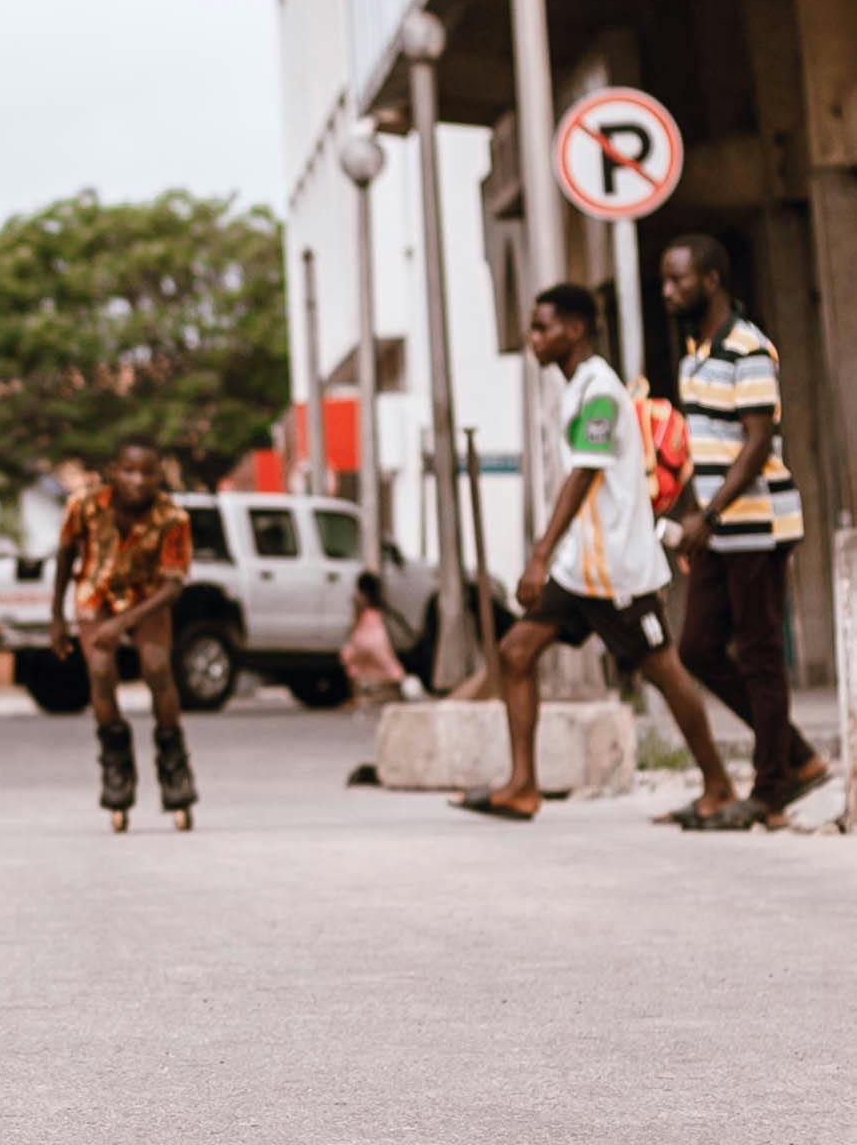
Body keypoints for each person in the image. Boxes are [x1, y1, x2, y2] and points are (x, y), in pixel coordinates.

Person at [456, 283, 743, 823]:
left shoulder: (601, 393)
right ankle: (521, 785)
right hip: (579, 567)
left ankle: (719, 783)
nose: (532, 338)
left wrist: (539, 555)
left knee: (663, 669)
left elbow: (584, 474)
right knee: (516, 654)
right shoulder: (579, 389)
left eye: (543, 328)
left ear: (576, 329)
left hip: (613, 568)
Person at [660, 232, 828, 825]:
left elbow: (757, 446)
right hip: (716, 527)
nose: (668, 290)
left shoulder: (748, 348)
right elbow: (709, 448)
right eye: (663, 280)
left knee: (759, 653)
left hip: (756, 525)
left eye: (678, 279)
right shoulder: (695, 355)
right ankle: (799, 756)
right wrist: (689, 509)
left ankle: (772, 786)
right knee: (698, 648)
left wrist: (707, 516)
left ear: (711, 280)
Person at [49, 441, 197, 826]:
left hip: (147, 597)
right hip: (95, 595)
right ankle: (116, 765)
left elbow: (173, 587)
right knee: (99, 671)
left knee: (157, 666)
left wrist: (123, 623)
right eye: (129, 471)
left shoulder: (173, 517)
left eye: (147, 473)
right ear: (114, 470)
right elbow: (65, 555)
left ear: (158, 476)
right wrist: (56, 617)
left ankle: (174, 766)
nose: (138, 480)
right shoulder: (84, 505)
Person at [342, 573, 408, 705]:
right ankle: (398, 689)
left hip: (364, 631)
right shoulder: (377, 600)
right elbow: (392, 614)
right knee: (386, 661)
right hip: (377, 630)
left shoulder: (358, 598)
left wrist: (351, 631)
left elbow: (356, 616)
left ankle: (355, 695)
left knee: (352, 661)